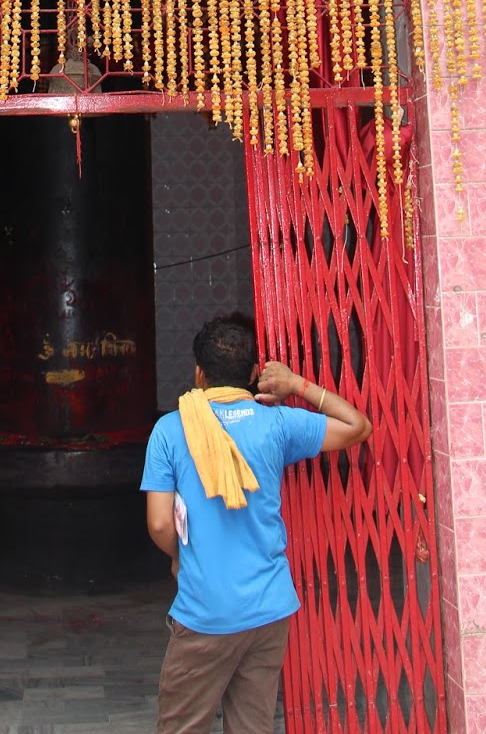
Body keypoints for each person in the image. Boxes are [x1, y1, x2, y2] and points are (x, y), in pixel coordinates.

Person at [141, 315, 371, 734]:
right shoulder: (277, 423)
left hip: (206, 613)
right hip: (269, 609)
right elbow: (358, 426)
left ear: (198, 373)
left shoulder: (170, 430)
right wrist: (297, 385)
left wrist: (180, 558)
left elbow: (159, 524)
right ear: (252, 373)